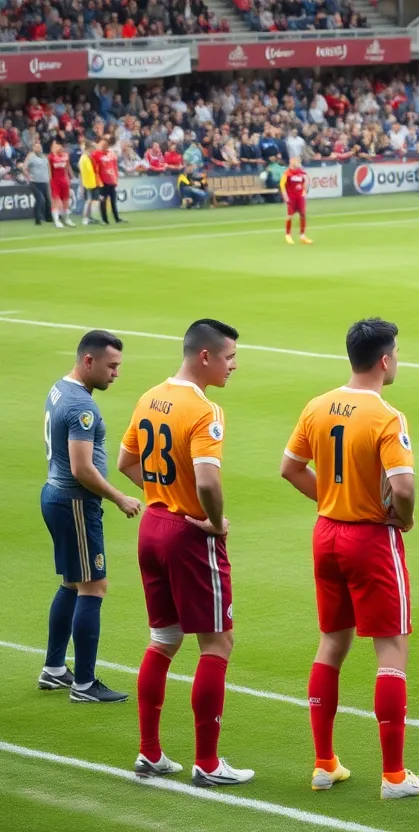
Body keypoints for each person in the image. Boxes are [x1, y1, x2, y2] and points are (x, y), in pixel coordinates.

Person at [280, 318, 419, 800]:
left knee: (331, 642)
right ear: (385, 359)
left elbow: (289, 468)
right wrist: (403, 518)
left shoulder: (318, 405)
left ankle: (325, 764)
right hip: (370, 539)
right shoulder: (387, 417)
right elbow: (406, 488)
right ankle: (394, 776)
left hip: (326, 533)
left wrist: (332, 498)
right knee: (391, 647)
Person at [115, 319, 252, 786]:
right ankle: (208, 763)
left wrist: (160, 492)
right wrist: (213, 522)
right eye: (230, 356)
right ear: (206, 357)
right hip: (189, 535)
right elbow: (209, 480)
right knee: (217, 643)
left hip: (152, 526)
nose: (235, 365)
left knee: (164, 640)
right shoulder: (204, 409)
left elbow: (125, 462)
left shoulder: (151, 396)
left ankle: (149, 753)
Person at [39, 330, 141, 703]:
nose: (116, 373)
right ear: (88, 361)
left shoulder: (59, 389)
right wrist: (119, 498)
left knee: (71, 583)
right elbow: (83, 468)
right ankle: (83, 684)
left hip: (56, 495)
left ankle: (53, 669)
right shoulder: (81, 407)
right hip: (76, 502)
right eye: (111, 366)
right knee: (93, 586)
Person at [90, 138, 122, 224]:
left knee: (113, 201)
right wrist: (97, 181)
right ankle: (105, 219)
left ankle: (117, 218)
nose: (105, 146)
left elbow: (115, 167)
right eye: (103, 144)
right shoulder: (95, 155)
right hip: (102, 182)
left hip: (112, 181)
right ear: (99, 144)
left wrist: (116, 179)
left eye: (106, 144)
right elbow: (94, 169)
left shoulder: (111, 154)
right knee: (102, 201)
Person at [281, 157, 311, 245]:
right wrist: (285, 196)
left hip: (300, 197)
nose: (299, 163)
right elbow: (282, 185)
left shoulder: (301, 172)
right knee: (289, 215)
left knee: (303, 215)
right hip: (291, 197)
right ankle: (288, 235)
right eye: (297, 162)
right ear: (292, 162)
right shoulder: (287, 173)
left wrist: (304, 192)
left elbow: (306, 181)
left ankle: (302, 236)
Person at [23, 142, 52, 226]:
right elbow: (25, 166)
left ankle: (48, 217)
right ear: (34, 148)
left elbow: (47, 168)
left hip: (44, 181)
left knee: (47, 200)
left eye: (40, 147)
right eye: (37, 147)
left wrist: (49, 177)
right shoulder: (31, 157)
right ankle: (37, 219)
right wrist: (27, 175)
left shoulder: (44, 157)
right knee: (40, 199)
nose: (39, 148)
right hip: (34, 182)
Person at [48, 141, 73, 227]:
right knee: (57, 201)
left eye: (57, 145)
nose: (56, 147)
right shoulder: (51, 157)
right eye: (54, 146)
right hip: (55, 181)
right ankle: (57, 220)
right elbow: (49, 170)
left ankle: (67, 219)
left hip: (64, 181)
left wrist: (70, 177)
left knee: (66, 201)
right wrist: (50, 180)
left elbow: (67, 167)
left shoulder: (66, 155)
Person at [77, 140, 100, 226]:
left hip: (92, 182)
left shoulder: (89, 157)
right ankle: (85, 218)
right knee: (88, 200)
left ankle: (89, 217)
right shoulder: (83, 158)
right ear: (89, 148)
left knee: (91, 200)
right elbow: (81, 173)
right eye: (92, 148)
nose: (93, 149)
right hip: (87, 183)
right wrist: (82, 185)